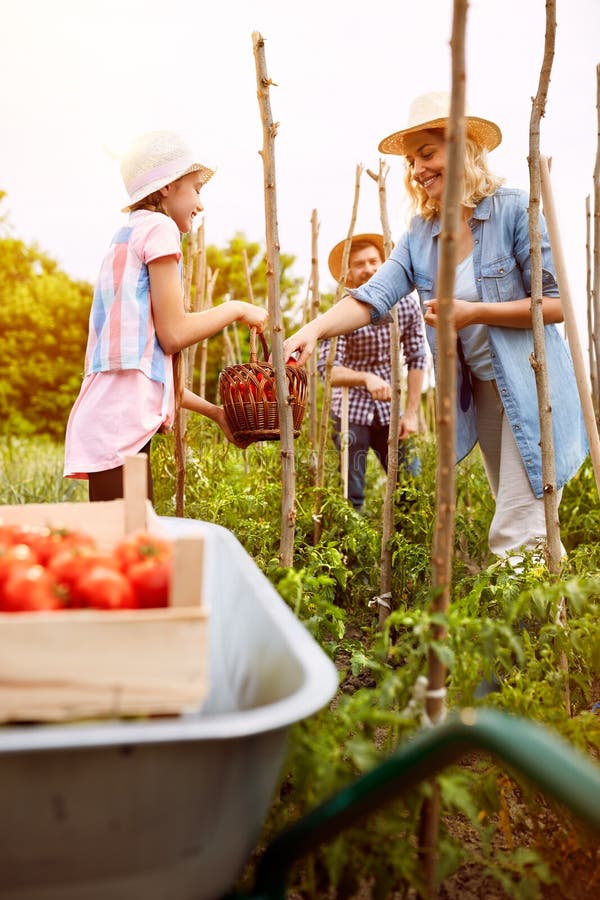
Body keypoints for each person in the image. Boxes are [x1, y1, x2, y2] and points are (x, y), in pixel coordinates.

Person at [284, 92, 588, 559]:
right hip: (481, 390)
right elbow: (372, 298)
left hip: (533, 383)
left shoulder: (511, 210)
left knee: (517, 531)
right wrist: (312, 331)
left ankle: (522, 630)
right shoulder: (421, 236)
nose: (418, 169)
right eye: (411, 161)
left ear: (462, 146)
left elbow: (555, 304)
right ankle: (555, 625)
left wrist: (472, 314)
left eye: (426, 153)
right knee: (528, 524)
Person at [64, 130, 268, 501]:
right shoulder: (160, 228)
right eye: (196, 189)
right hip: (119, 430)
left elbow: (147, 375)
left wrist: (217, 414)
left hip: (107, 423)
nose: (200, 204)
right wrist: (236, 308)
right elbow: (173, 334)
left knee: (123, 542)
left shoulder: (125, 236)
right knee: (131, 545)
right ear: (165, 189)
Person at [318, 233, 426, 511]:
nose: (367, 269)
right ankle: (350, 554)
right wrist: (365, 378)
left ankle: (406, 549)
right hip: (350, 413)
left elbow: (417, 358)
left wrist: (411, 414)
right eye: (358, 264)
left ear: (384, 263)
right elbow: (327, 371)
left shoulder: (406, 304)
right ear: (349, 272)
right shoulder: (341, 311)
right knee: (350, 495)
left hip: (392, 410)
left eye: (373, 261)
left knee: (410, 489)